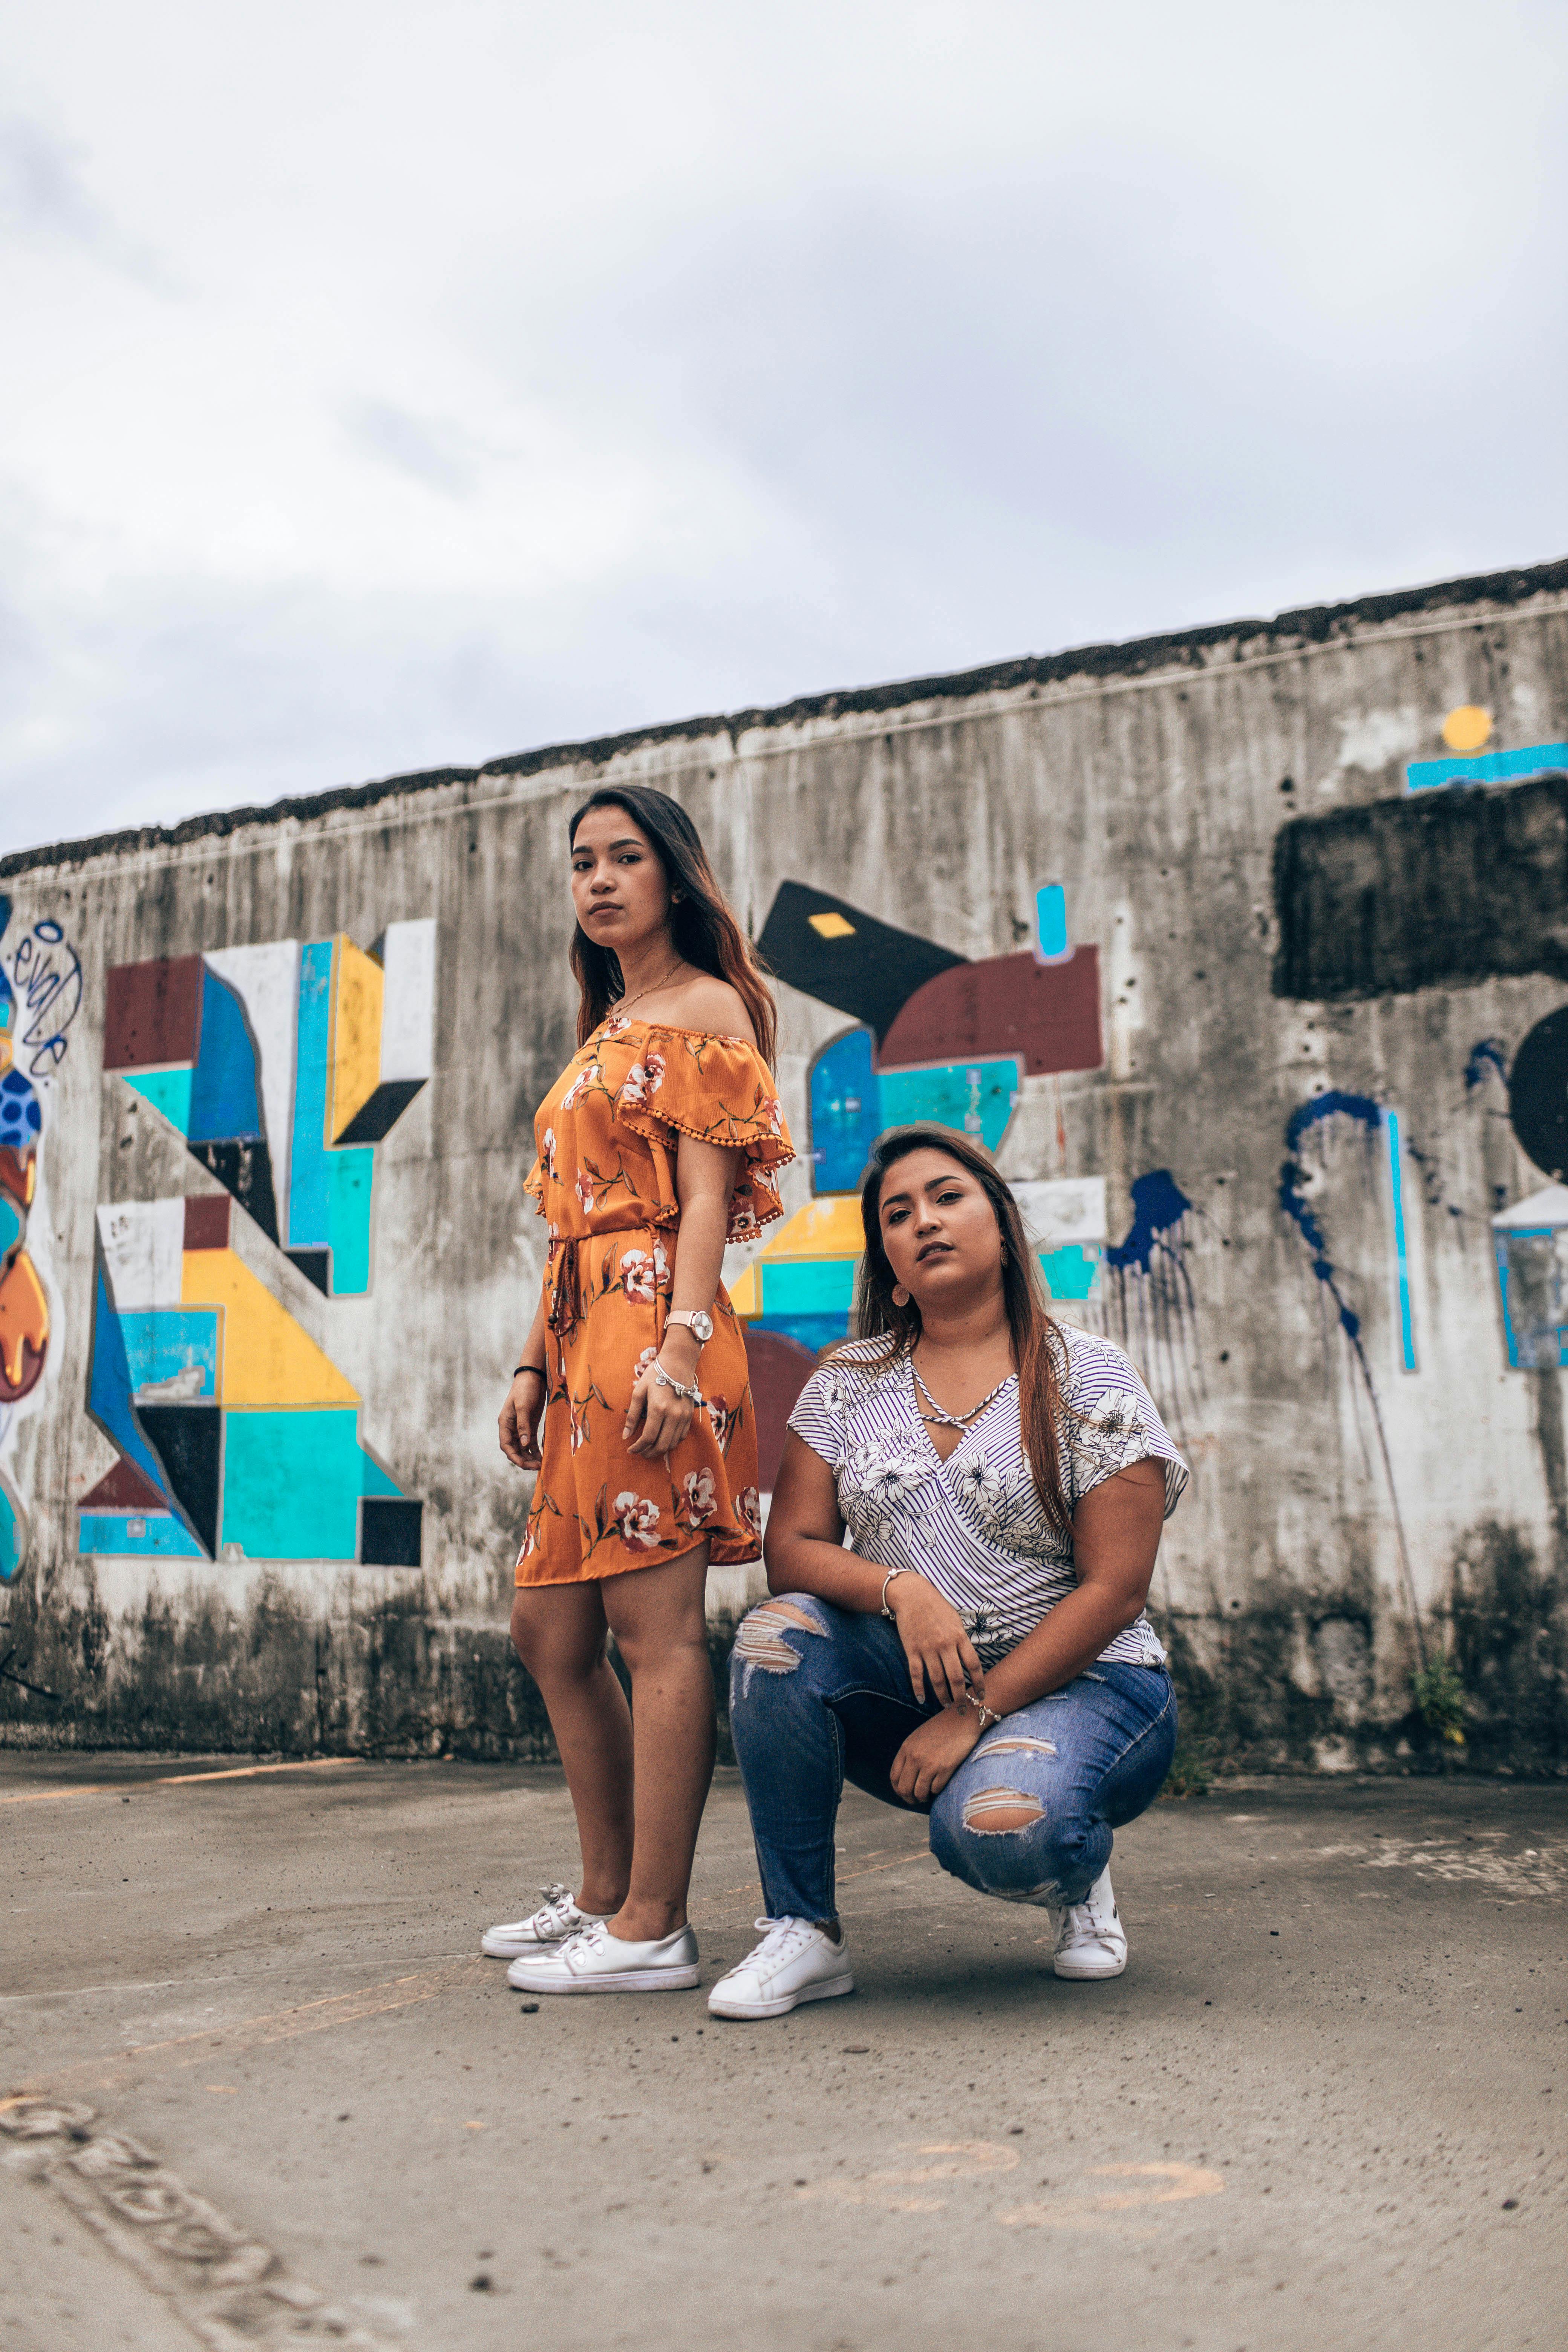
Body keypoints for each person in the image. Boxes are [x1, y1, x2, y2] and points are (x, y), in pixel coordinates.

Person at [707, 1125, 1187, 2021]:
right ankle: (801, 1931)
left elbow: (1116, 1589)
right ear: (888, 1260)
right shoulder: (847, 1381)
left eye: (947, 1197)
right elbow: (794, 1552)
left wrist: (974, 1714)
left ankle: (1074, 1867)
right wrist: (902, 1590)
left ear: (1001, 1226)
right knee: (775, 1639)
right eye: (898, 1212)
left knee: (997, 1836)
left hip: (1093, 1686)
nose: (924, 1219)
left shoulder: (1087, 1377)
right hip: (915, 1674)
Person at [487, 784, 792, 1997]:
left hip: (659, 1330)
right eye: (581, 864)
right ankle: (606, 1893)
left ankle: (652, 1922)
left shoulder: (705, 1009)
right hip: (580, 1338)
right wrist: (531, 1357)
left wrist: (675, 1348)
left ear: (675, 875)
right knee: (550, 1629)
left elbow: (705, 1203)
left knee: (650, 1630)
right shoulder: (613, 1020)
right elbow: (573, 1228)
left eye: (624, 858)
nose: (600, 880)